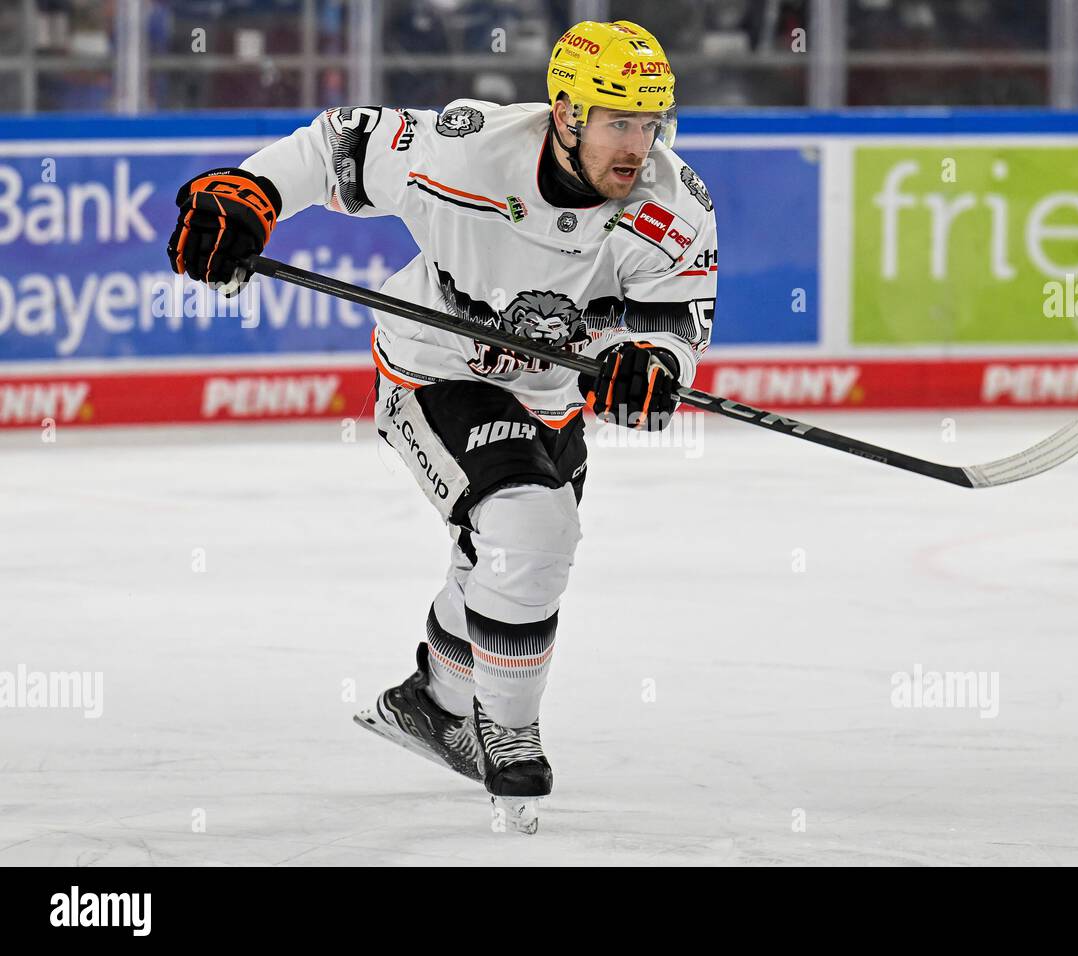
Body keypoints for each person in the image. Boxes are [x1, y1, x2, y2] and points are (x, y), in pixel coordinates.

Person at [165, 20, 718, 833]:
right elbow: (335, 146)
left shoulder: (672, 203)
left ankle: (435, 701)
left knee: (501, 558)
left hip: (551, 393)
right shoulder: (464, 154)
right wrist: (243, 197)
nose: (637, 145)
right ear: (565, 112)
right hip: (433, 368)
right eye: (616, 121)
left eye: (649, 122)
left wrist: (654, 363)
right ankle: (509, 732)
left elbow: (677, 319)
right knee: (532, 527)